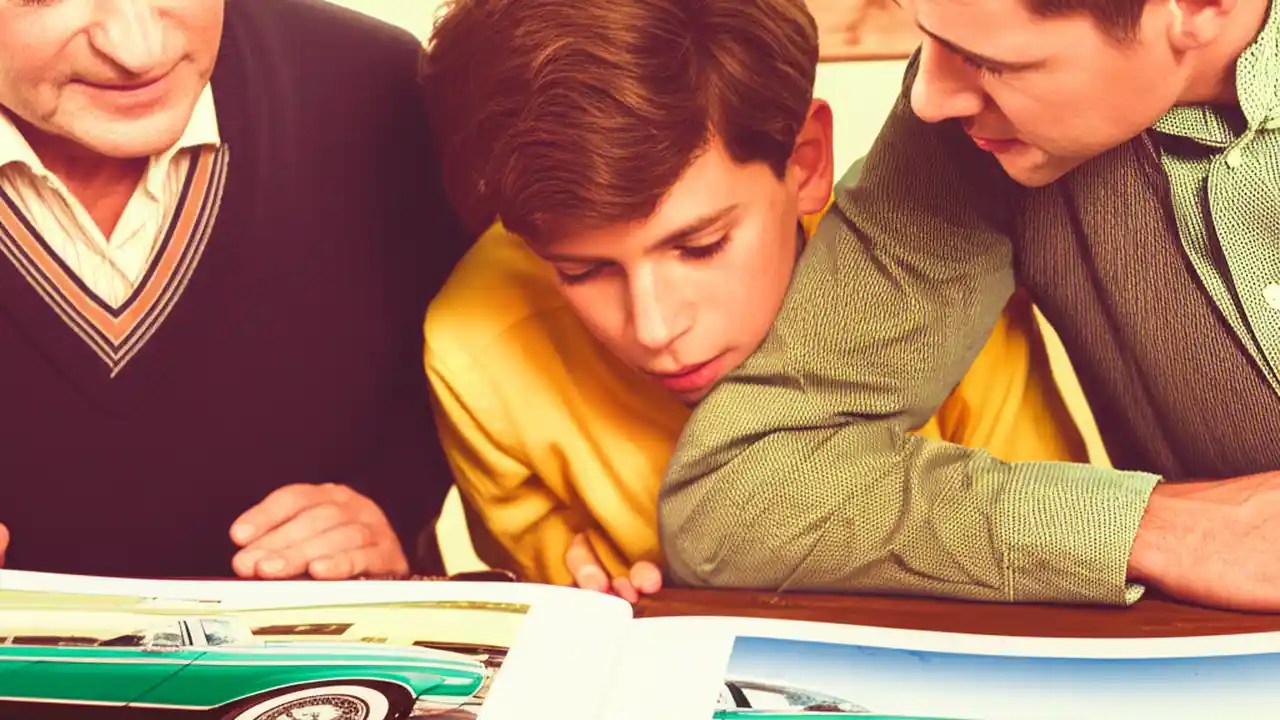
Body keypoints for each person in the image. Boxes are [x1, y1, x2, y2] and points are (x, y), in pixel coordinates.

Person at [419, 0, 1087, 600]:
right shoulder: (474, 343)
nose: (654, 328)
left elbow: (1063, 549)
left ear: (805, 163)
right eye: (582, 271)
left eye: (702, 246)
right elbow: (545, 581)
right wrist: (580, 595)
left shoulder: (942, 289)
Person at [661, 0, 1280, 611]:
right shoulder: (965, 132)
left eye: (993, 63)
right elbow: (736, 492)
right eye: (924, 31)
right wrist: (1154, 528)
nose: (928, 97)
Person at [0, 0, 465, 579]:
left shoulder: (383, 86)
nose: (137, 49)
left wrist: (390, 509)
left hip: (338, 660)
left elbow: (483, 370)